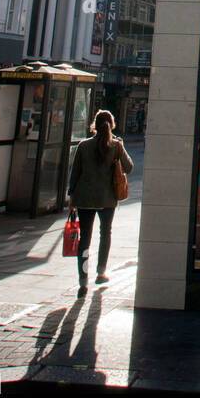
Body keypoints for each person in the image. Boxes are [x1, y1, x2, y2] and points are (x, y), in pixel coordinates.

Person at [67, 109, 133, 298]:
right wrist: (120, 148)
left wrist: (71, 196)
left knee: (84, 240)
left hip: (84, 199)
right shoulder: (116, 146)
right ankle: (101, 272)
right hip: (107, 199)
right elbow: (129, 167)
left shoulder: (84, 146)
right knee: (105, 233)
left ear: (94, 125)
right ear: (111, 125)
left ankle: (83, 279)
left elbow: (75, 174)